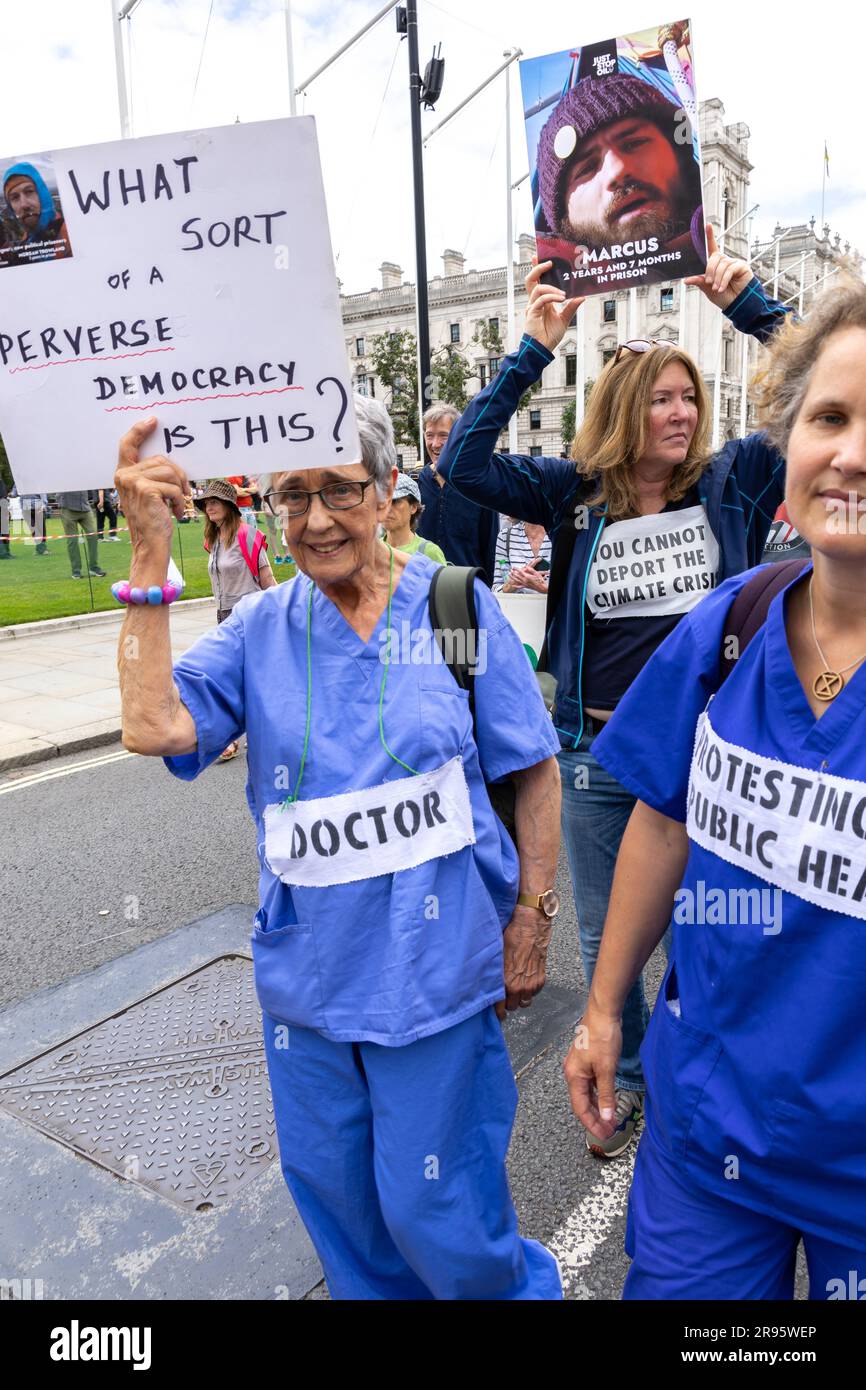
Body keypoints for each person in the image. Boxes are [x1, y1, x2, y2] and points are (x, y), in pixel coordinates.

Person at [114, 394, 564, 1301]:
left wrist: (532, 917)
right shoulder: (258, 630)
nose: (315, 519)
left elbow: (535, 770)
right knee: (340, 1201)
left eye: (341, 490)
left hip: (432, 975)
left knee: (435, 1204)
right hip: (310, 981)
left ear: (389, 490)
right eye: (291, 496)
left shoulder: (451, 606)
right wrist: (150, 554)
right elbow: (153, 725)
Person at [436, 237, 790, 1158]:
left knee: (721, 929)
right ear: (627, 408)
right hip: (598, 759)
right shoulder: (574, 497)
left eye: (689, 397)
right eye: (663, 397)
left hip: (714, 759)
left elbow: (834, 393)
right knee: (612, 942)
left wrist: (748, 306)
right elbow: (465, 464)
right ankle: (626, 1081)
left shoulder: (734, 484)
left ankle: (716, 1080)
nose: (681, 412)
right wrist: (533, 347)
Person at [564, 277, 866, 1299]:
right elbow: (660, 820)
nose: (853, 453)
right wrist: (605, 1010)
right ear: (785, 452)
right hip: (706, 1143)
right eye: (828, 417)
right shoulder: (731, 622)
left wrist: (743, 294)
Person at [535, 61, 705, 292]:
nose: (618, 171)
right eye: (586, 168)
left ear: (678, 153)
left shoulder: (727, 249)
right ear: (563, 217)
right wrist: (540, 329)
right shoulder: (560, 290)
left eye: (635, 143)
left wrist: (746, 304)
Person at [195, 479, 275, 762]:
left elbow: (266, 579)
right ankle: (234, 737)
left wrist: (281, 615)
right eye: (206, 502)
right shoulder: (213, 540)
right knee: (230, 679)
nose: (209, 506)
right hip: (224, 616)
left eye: (215, 501)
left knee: (247, 680)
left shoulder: (247, 535)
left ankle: (249, 737)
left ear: (230, 506)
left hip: (249, 616)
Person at [417, 402, 499, 584]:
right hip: (423, 587)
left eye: (443, 436)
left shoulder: (478, 484)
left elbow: (489, 545)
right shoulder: (417, 483)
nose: (435, 444)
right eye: (429, 435)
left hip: (466, 586)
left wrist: (484, 590)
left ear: (457, 436)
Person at [3, 163, 72, 263]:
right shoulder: (25, 241)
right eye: (15, 197)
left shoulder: (71, 235)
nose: (24, 205)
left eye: (29, 191)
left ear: (43, 194)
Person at [382, 473, 446, 564]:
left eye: (395, 501)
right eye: (383, 501)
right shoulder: (372, 549)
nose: (387, 508)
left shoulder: (429, 552)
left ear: (413, 507)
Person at [493, 518, 552, 594]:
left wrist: (544, 588)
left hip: (552, 605)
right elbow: (495, 591)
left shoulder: (561, 535)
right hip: (516, 605)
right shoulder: (505, 536)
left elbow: (570, 590)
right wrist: (515, 581)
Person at [56, 491, 105, 579]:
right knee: (73, 540)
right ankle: (76, 570)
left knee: (93, 536)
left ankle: (94, 567)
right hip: (68, 509)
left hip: (85, 508)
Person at [250, 473, 293, 570]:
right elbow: (262, 493)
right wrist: (265, 506)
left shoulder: (281, 475)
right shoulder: (266, 477)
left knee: (284, 531)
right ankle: (277, 556)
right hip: (269, 506)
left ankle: (287, 555)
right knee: (273, 532)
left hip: (281, 507)